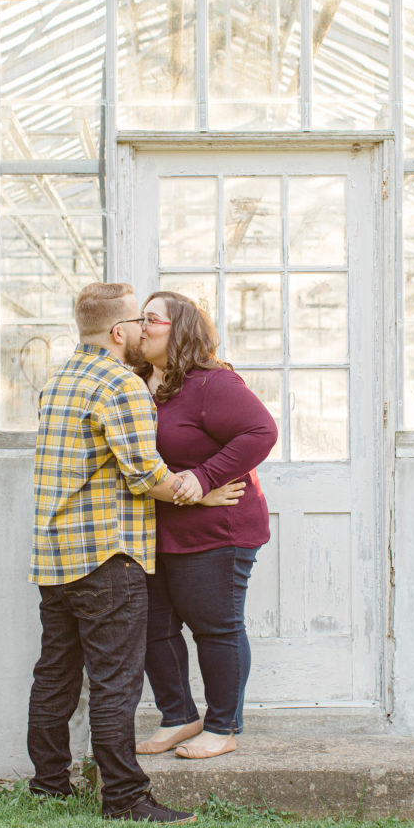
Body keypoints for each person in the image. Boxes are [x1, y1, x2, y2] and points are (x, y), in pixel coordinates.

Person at [28, 282, 208, 824]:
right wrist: (200, 486)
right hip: (108, 556)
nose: (142, 330)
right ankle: (125, 798)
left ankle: (49, 785)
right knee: (115, 681)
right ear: (118, 331)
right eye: (137, 322)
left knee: (55, 673)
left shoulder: (57, 381)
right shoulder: (120, 384)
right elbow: (144, 474)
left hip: (56, 555)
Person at [132, 290, 278, 761]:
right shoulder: (134, 384)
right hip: (156, 529)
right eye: (139, 318)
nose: (141, 326)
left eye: (151, 319)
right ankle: (178, 717)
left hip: (218, 530)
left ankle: (222, 726)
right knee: (155, 627)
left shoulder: (211, 383)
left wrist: (204, 477)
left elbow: (261, 431)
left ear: (180, 331)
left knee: (216, 628)